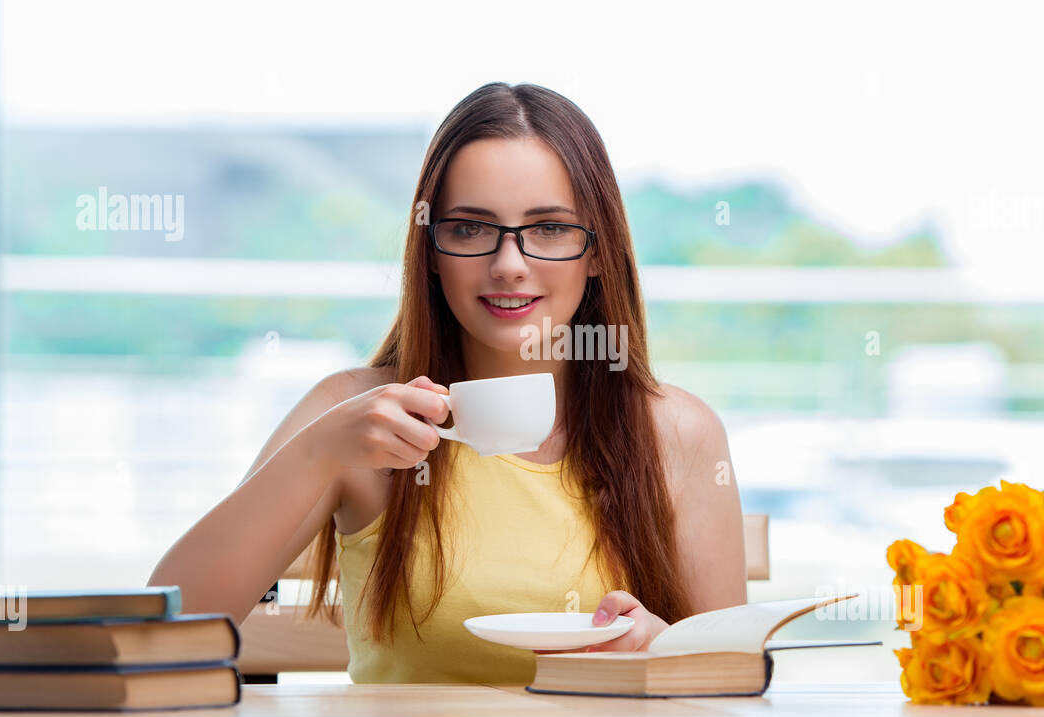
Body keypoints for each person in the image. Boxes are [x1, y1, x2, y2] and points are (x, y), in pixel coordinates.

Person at [148, 82, 746, 684]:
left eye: (548, 229)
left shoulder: (678, 433)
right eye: (469, 229)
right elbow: (161, 634)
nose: (510, 264)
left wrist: (665, 651)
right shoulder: (354, 415)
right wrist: (317, 456)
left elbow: (733, 687)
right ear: (430, 249)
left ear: (598, 251)